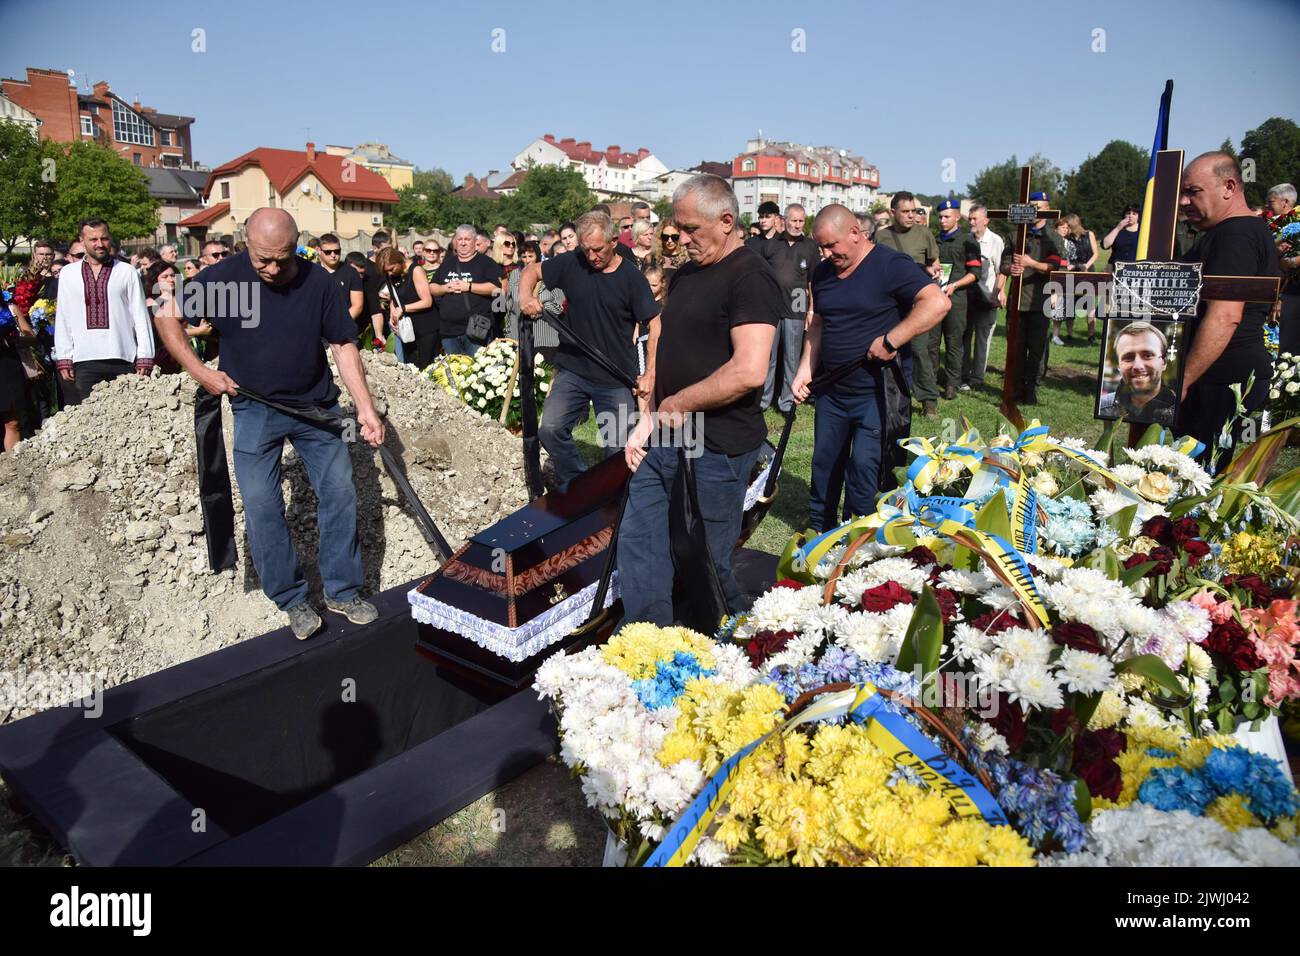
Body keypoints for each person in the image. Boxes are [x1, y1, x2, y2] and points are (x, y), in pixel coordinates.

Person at [154, 207, 384, 639]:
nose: (274, 268)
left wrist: (365, 409)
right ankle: (292, 599)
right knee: (262, 507)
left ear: (297, 246)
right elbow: (166, 313)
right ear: (246, 242)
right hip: (254, 408)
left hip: (316, 409)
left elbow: (342, 343)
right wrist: (201, 373)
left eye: (283, 258)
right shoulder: (223, 279)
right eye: (263, 259)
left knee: (339, 494)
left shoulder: (318, 282)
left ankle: (343, 589)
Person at [619, 174, 779, 626]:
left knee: (704, 558)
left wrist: (681, 403)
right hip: (668, 435)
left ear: (726, 221)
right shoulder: (687, 273)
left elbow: (748, 369)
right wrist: (648, 419)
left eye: (691, 230)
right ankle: (647, 642)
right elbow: (667, 343)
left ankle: (736, 639)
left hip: (719, 445)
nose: (680, 240)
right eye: (678, 229)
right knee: (641, 540)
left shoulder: (751, 276)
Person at [793, 205, 949, 531]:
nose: (826, 253)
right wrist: (805, 369)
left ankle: (861, 538)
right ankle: (819, 533)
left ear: (855, 233)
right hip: (832, 392)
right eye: (820, 246)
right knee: (824, 465)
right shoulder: (822, 273)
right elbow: (818, 324)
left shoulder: (891, 265)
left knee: (866, 470)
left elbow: (937, 303)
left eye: (831, 245)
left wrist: (892, 340)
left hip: (876, 394)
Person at [519, 211, 658, 491]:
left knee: (618, 448)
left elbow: (654, 324)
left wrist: (650, 373)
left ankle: (611, 498)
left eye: (598, 249)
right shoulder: (573, 262)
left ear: (614, 241)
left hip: (616, 375)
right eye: (586, 250)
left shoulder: (631, 277)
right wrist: (525, 295)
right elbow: (532, 270)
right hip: (573, 368)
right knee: (551, 429)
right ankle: (577, 482)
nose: (592, 256)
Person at [1176, 152, 1281, 466]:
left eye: (1193, 191)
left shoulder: (1236, 235)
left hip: (1223, 381)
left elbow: (1225, 315)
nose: (1183, 201)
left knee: (1201, 488)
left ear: (1228, 187)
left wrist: (1183, 380)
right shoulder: (1228, 233)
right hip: (1223, 376)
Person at [53, 219, 156, 403]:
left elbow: (140, 315)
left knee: (127, 416)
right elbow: (63, 317)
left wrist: (145, 355)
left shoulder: (126, 271)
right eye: (93, 239)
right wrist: (64, 356)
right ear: (82, 240)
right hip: (84, 359)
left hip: (123, 356)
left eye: (104, 238)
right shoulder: (68, 273)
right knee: (89, 420)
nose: (99, 244)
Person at [874, 191, 942, 415]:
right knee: (889, 347)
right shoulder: (881, 236)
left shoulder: (924, 233)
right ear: (893, 212)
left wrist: (934, 271)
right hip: (889, 303)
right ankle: (889, 396)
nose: (911, 215)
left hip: (917, 303)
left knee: (920, 351)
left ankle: (928, 401)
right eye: (905, 212)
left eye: (913, 211)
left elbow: (936, 263)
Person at [998, 191, 1066, 405]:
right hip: (1017, 302)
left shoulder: (1053, 237)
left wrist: (1030, 263)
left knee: (1037, 350)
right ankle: (1016, 388)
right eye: (1031, 205)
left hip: (1040, 301)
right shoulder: (1016, 234)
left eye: (1039, 206)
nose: (1035, 210)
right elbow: (1003, 264)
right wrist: (1012, 268)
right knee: (1016, 348)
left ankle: (1031, 389)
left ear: (1047, 209)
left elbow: (1053, 267)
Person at [758, 203, 818, 414]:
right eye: (794, 220)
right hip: (772, 307)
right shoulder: (771, 245)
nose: (797, 224)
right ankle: (764, 401)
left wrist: (811, 311)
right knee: (768, 357)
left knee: (791, 358)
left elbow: (812, 282)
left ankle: (787, 402)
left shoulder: (810, 247)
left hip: (797, 304)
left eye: (801, 221)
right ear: (784, 220)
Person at [934, 199, 982, 400]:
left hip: (957, 298)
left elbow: (975, 273)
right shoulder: (935, 240)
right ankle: (931, 379)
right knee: (932, 343)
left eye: (947, 217)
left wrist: (955, 285)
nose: (942, 220)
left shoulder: (967, 241)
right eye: (940, 217)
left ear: (956, 217)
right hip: (934, 299)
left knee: (954, 343)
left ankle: (952, 383)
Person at [430, 224, 503, 356]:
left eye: (467, 239)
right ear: (455, 242)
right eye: (460, 239)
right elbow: (432, 287)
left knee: (475, 371)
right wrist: (445, 288)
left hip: (475, 330)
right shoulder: (447, 263)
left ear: (475, 243)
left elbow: (496, 288)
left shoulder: (486, 262)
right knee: (454, 371)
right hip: (448, 330)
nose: (463, 243)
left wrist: (469, 286)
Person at [961, 204, 1006, 390]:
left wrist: (997, 293)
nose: (971, 222)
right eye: (970, 218)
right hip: (966, 298)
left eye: (975, 219)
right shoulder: (965, 239)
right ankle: (962, 375)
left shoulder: (995, 241)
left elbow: (1002, 270)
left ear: (986, 221)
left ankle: (977, 378)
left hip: (986, 298)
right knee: (964, 337)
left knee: (982, 340)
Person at [1097, 321, 1176, 424]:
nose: (1138, 366)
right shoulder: (1103, 407)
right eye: (1128, 357)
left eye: (1148, 355)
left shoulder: (1178, 411)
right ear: (1119, 365)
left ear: (1164, 362)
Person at [144, 260, 213, 374]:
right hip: (169, 357)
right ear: (155, 280)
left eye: (172, 276)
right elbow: (163, 332)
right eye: (165, 277)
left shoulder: (182, 299)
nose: (170, 280)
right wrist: (198, 331)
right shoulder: (152, 303)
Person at [378, 247, 436, 369]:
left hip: (426, 328)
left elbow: (427, 301)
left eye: (391, 269)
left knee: (426, 367)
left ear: (399, 261)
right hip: (407, 330)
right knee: (411, 367)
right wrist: (392, 316)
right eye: (386, 271)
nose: (389, 273)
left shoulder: (416, 271)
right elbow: (394, 298)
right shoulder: (390, 276)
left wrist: (403, 309)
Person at [1265, 183, 1300, 356]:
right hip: (1272, 292)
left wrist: (1291, 261)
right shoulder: (1272, 225)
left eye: (1271, 201)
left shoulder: (1294, 226)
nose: (1267, 206)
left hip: (1290, 292)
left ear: (1285, 202)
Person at [1062, 212, 1099, 342]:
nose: (1067, 228)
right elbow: (1065, 255)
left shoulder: (1089, 234)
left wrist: (1086, 266)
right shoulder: (1067, 238)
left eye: (1068, 226)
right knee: (1070, 303)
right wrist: (1071, 266)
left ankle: (1091, 335)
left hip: (1088, 272)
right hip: (1072, 272)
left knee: (1089, 305)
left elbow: (1096, 254)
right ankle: (1070, 334)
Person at [316, 233, 365, 325]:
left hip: (344, 329)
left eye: (337, 251)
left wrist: (340, 324)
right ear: (318, 250)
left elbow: (357, 305)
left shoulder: (351, 273)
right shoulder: (312, 272)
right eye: (328, 252)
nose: (333, 255)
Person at [1050, 219, 1077, 346]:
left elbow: (1073, 259)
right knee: (1051, 304)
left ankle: (1055, 335)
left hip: (1065, 276)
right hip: (1051, 274)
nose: (1065, 229)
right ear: (1056, 229)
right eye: (1062, 227)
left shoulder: (1070, 244)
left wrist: (1072, 266)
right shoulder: (1050, 242)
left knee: (1060, 307)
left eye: (1066, 227)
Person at [1103, 203, 1142, 268]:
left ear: (1139, 216)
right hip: (1116, 269)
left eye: (1134, 214)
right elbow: (1105, 245)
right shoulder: (1116, 228)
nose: (1130, 216)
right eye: (1128, 213)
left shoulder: (1143, 230)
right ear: (1124, 215)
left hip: (1137, 270)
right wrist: (1118, 228)